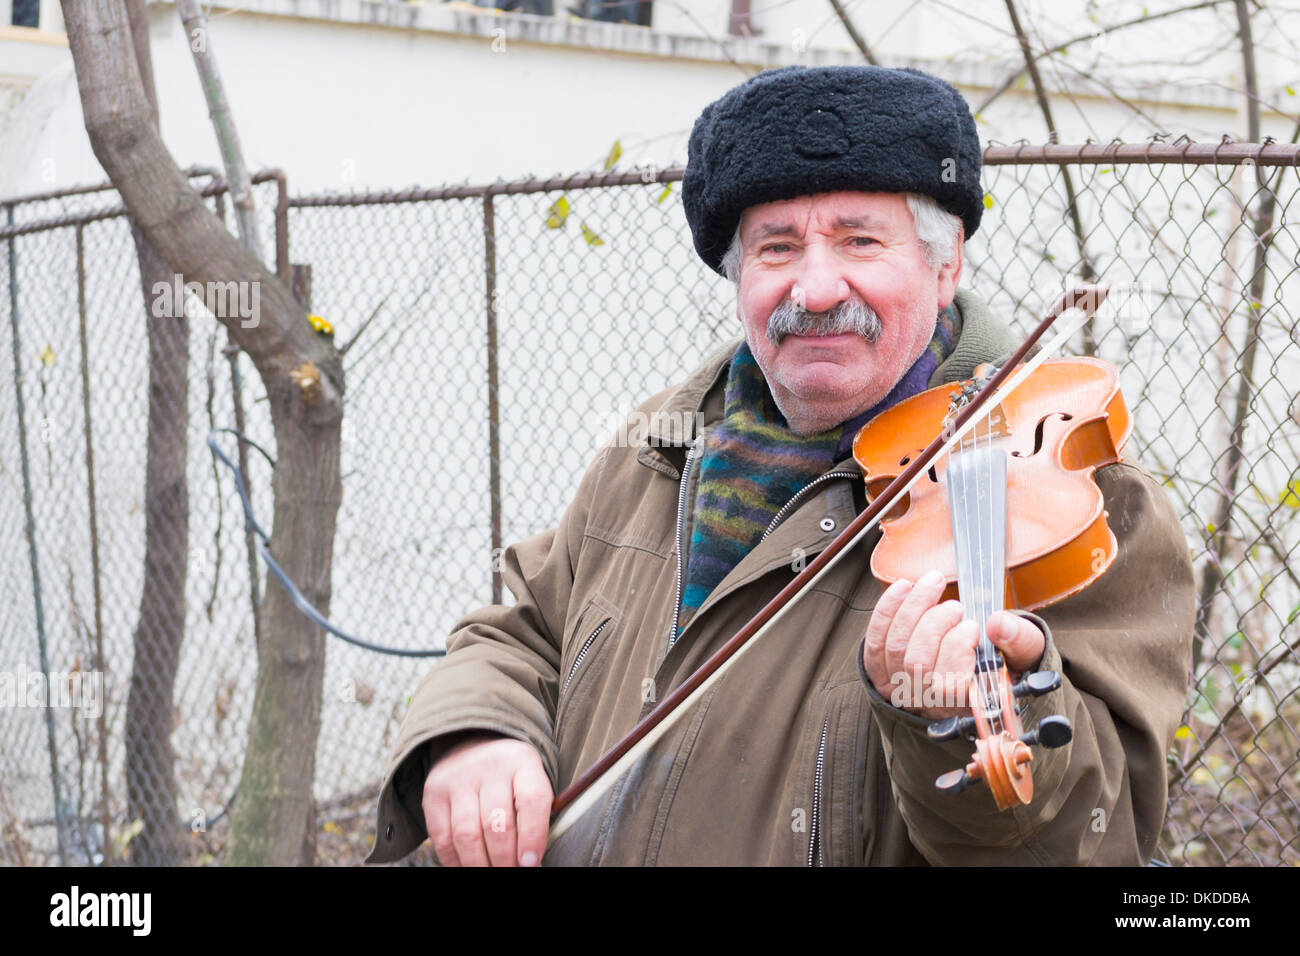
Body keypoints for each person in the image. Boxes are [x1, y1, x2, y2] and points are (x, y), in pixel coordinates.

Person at [367, 65, 1195, 866]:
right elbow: (524, 631)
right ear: (739, 280)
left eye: (860, 240)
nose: (819, 286)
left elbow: (1093, 835)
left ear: (946, 267)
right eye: (777, 248)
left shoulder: (1072, 502)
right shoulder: (659, 449)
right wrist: (478, 732)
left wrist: (945, 725)